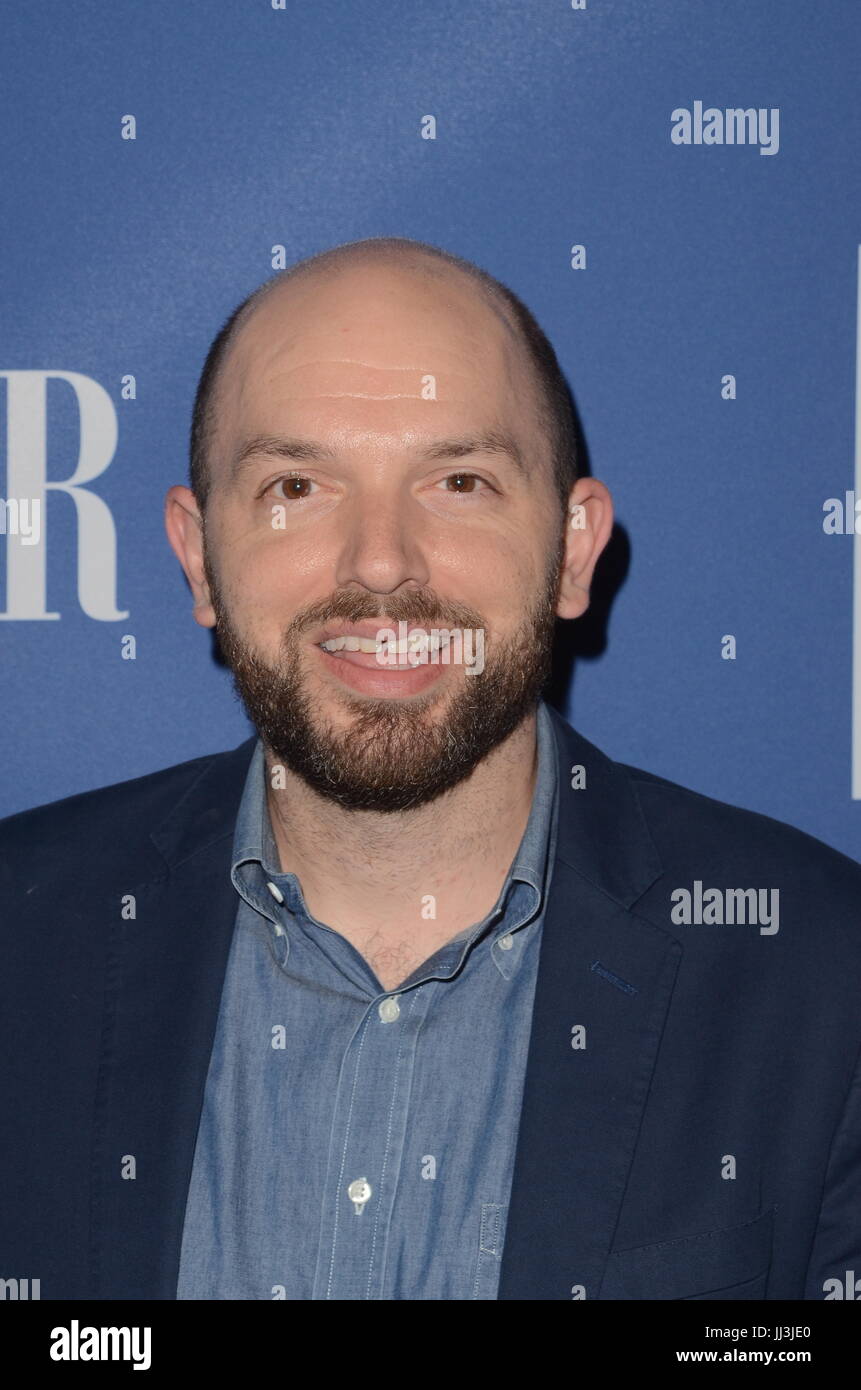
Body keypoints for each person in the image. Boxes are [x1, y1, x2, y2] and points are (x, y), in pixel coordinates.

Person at [1, 236, 859, 1301]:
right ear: (198, 557)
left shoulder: (822, 978)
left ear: (574, 550)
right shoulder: (22, 936)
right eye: (297, 484)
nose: (380, 561)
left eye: (459, 480)